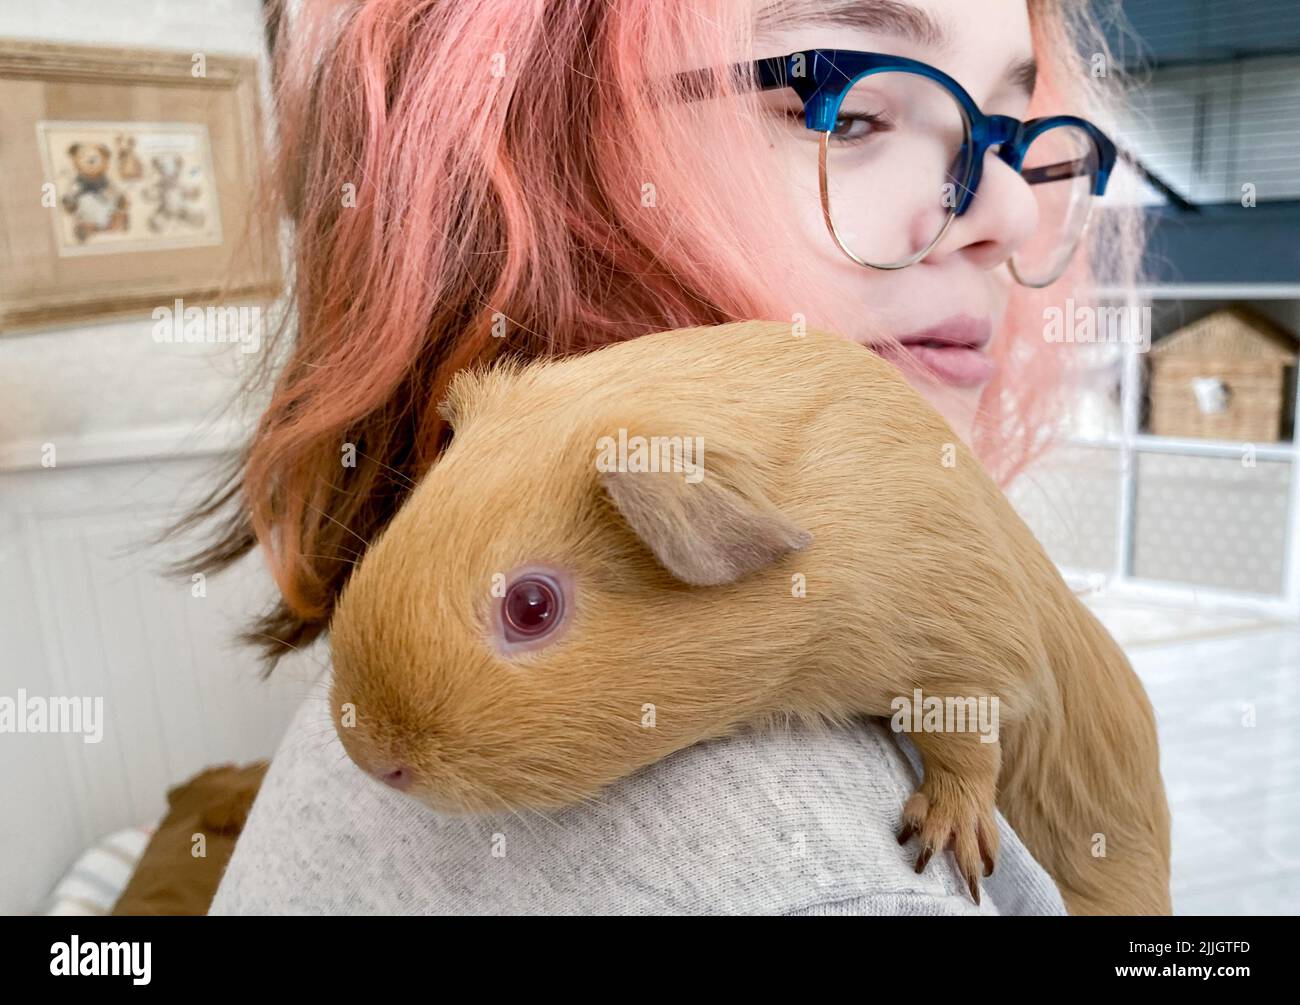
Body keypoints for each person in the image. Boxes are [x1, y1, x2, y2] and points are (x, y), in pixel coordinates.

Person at [202, 0, 1137, 914]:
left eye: (1014, 138)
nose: (1014, 210)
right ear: (527, 157)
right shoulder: (808, 872)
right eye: (846, 110)